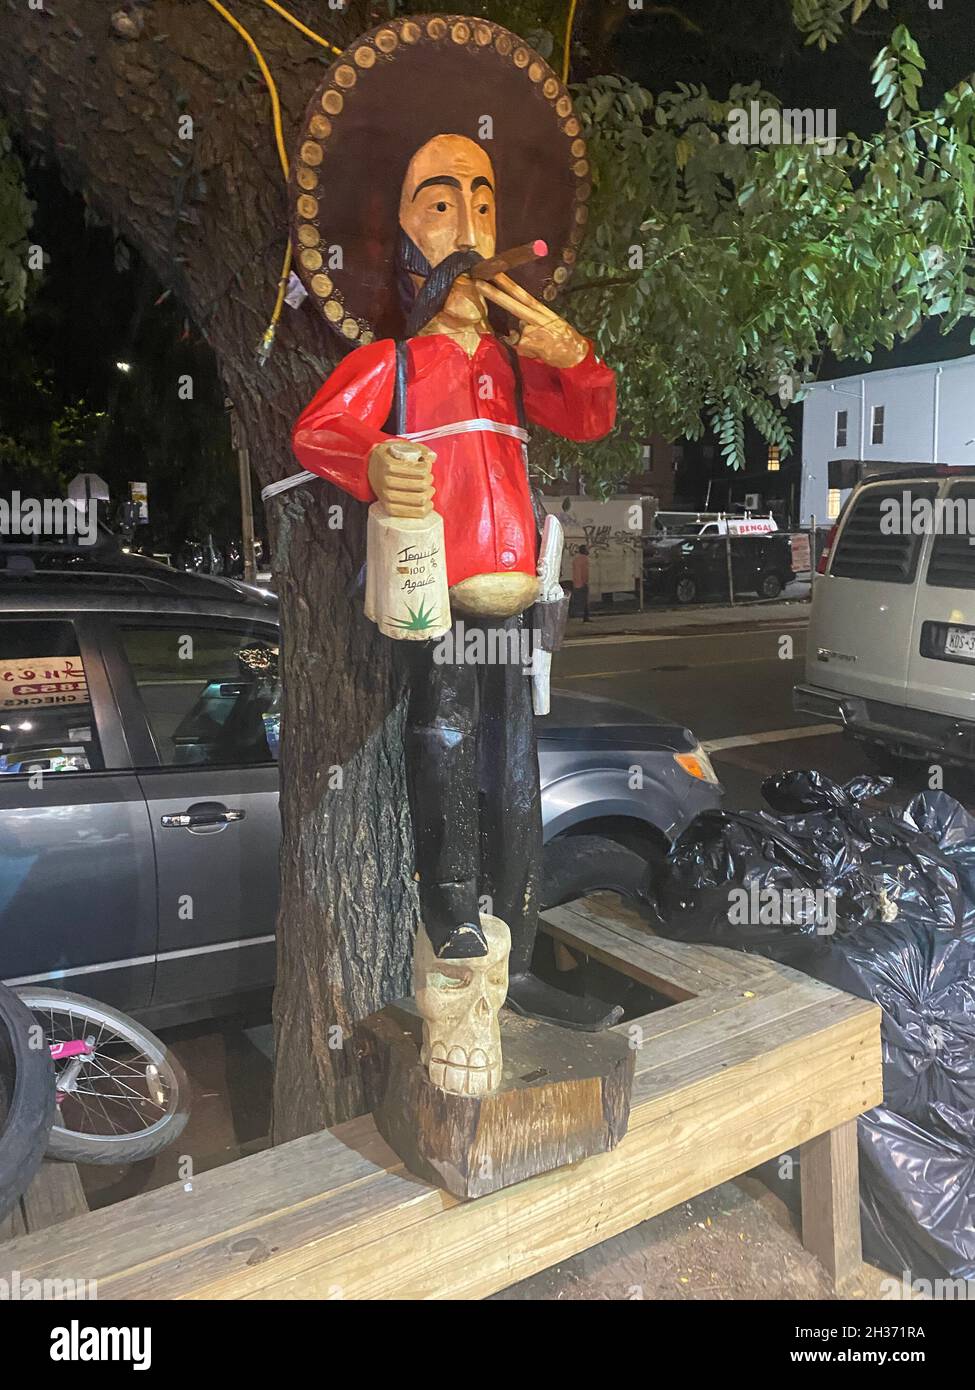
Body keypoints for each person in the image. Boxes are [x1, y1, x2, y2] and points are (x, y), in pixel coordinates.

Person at [285, 21, 618, 1027]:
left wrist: (571, 349)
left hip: (516, 597)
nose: (470, 221)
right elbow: (316, 437)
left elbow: (594, 414)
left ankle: (516, 960)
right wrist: (377, 461)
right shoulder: (392, 366)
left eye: (483, 198)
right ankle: (456, 928)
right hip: (438, 594)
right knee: (443, 746)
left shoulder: (516, 364)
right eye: (443, 201)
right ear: (406, 231)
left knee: (515, 770)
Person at [570, 545, 591, 621]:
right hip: (582, 583)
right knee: (585, 601)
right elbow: (585, 572)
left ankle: (571, 615)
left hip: (576, 582)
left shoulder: (576, 560)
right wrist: (585, 582)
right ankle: (586, 617)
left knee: (576, 600)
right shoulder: (585, 559)